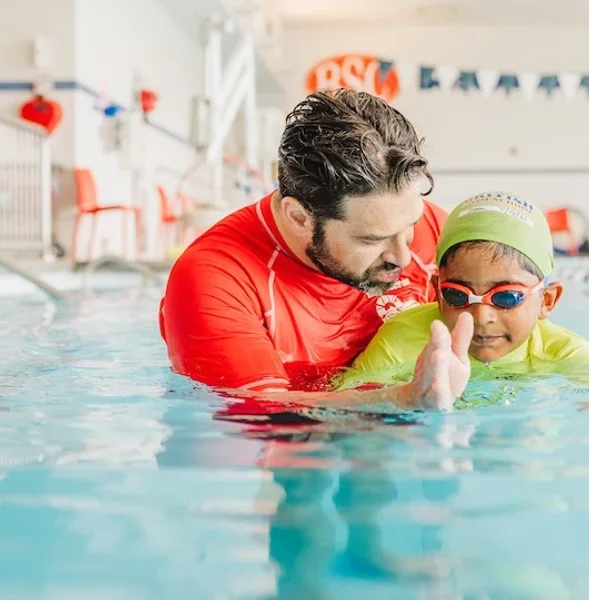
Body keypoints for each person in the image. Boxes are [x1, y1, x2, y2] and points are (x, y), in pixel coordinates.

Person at [159, 88, 473, 411]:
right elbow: (263, 416)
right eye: (371, 240)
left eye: (410, 225)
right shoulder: (216, 280)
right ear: (298, 218)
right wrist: (403, 400)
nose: (404, 257)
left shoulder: (429, 228)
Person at [336, 191, 589, 390]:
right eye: (457, 295)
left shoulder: (565, 353)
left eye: (506, 297)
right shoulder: (401, 338)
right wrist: (405, 399)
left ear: (547, 300)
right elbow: (343, 408)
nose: (481, 315)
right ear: (437, 292)